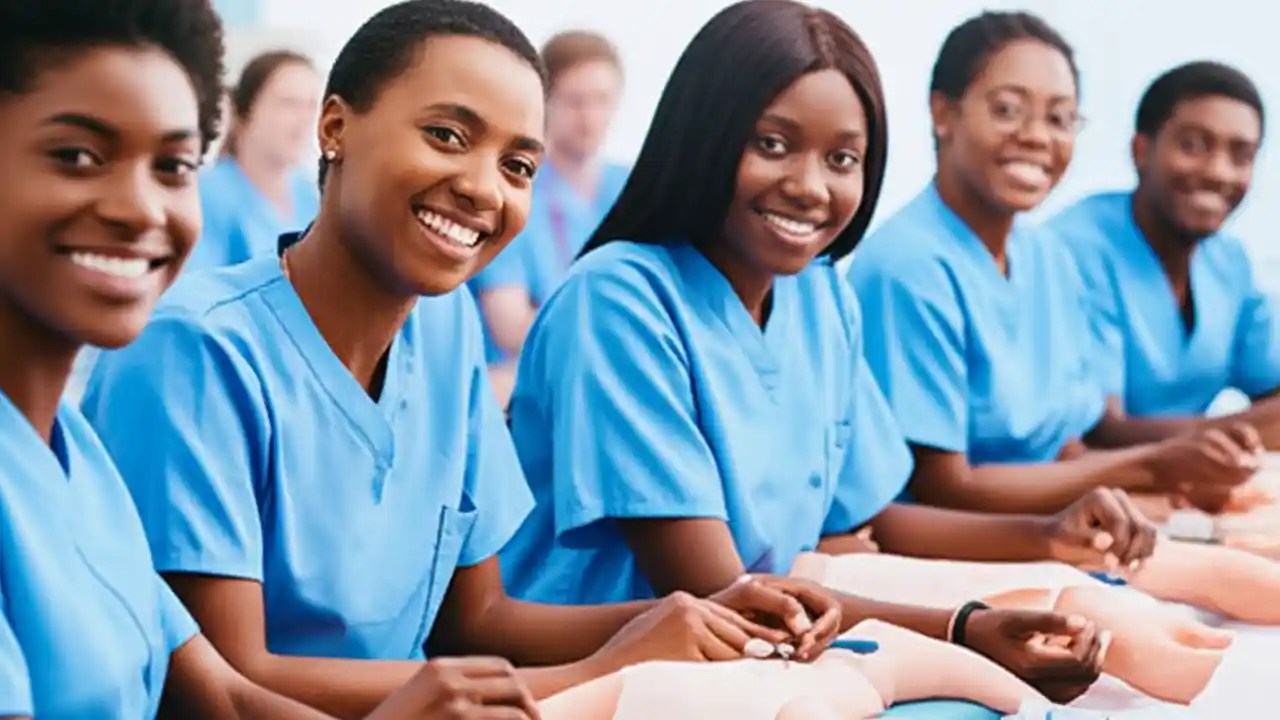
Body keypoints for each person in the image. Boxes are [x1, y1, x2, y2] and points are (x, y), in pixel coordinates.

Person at [82, 2, 838, 717]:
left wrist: (680, 618)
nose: (482, 187)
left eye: (517, 166)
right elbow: (232, 677)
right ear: (335, 127)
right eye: (447, 135)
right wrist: (587, 673)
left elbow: (476, 618)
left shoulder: (445, 333)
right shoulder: (197, 347)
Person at [500, 1, 1118, 712]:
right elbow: (725, 595)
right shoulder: (618, 301)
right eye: (772, 143)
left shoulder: (821, 296)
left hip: (756, 657)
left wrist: (1047, 540)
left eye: (842, 159)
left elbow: (873, 518)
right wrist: (962, 631)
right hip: (613, 677)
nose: (810, 185)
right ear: (705, 137)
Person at [0, 1, 543, 717]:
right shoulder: (194, 348)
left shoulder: (79, 472)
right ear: (335, 129)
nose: (139, 209)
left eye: (173, 165)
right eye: (77, 156)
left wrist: (634, 654)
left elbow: (223, 695)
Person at [847, 11, 1262, 516]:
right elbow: (944, 486)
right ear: (944, 114)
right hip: (961, 543)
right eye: (1007, 109)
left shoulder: (1045, 257)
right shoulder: (907, 266)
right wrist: (1150, 466)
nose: (1037, 136)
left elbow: (1067, 443)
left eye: (1060, 118)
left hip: (1056, 527)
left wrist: (1153, 501)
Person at [1049, 62, 1280, 449]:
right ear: (1141, 150)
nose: (1218, 172)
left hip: (1193, 485)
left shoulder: (1229, 262)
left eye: (1241, 155)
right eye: (1193, 145)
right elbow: (1100, 430)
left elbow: (1271, 387)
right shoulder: (1071, 250)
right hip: (1094, 490)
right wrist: (1246, 431)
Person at [469, 30, 628, 405]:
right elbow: (509, 326)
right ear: (543, 104)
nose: (589, 117)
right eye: (574, 101)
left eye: (602, 100)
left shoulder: (633, 188)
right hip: (534, 375)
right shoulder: (511, 191)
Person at [187, 49, 320, 271]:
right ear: (244, 111)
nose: (305, 119)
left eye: (311, 105)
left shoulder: (309, 197)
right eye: (289, 103)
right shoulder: (207, 195)